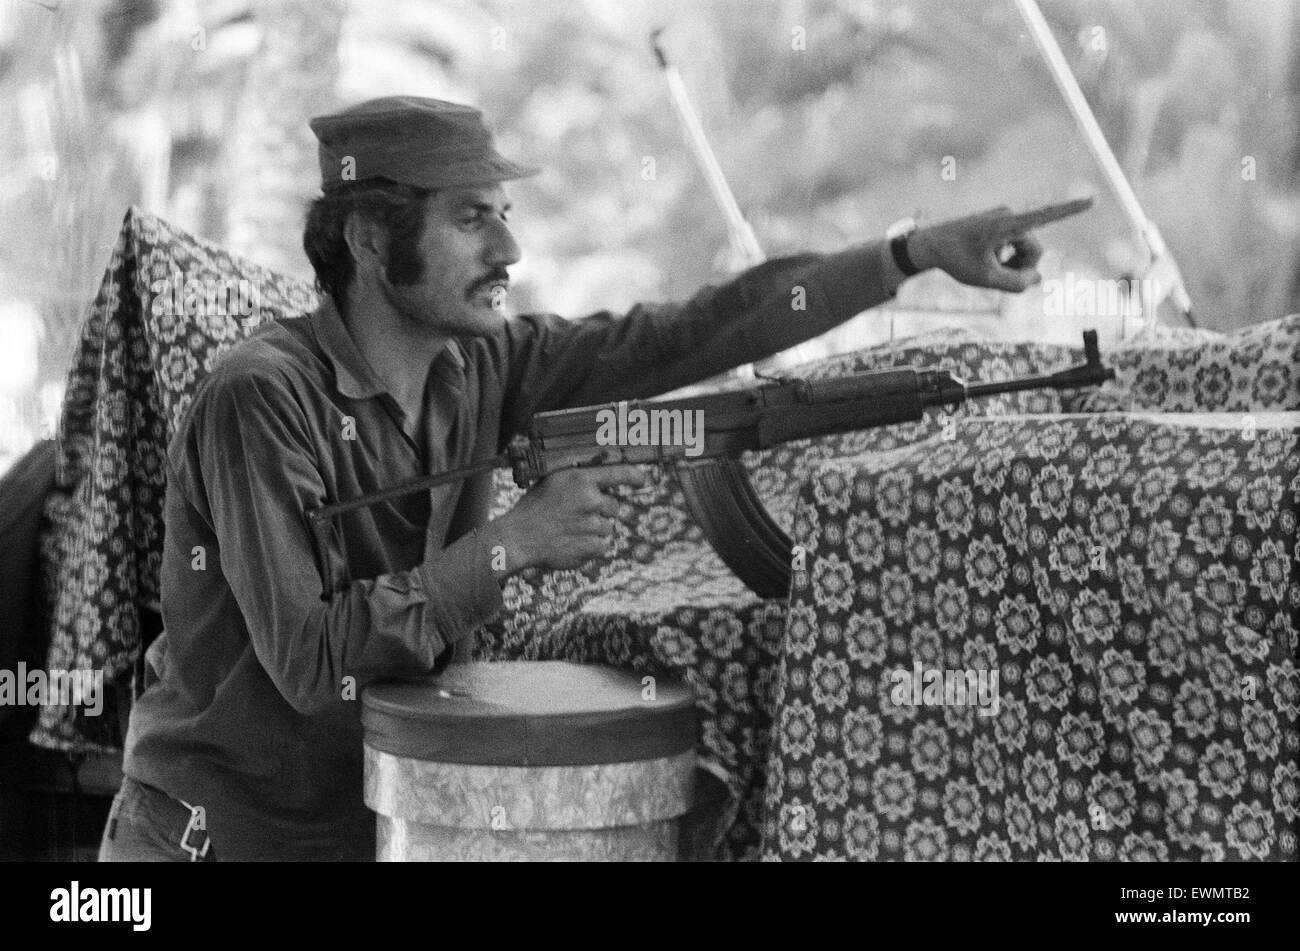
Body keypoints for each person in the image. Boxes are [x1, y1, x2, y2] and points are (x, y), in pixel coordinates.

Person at [99, 95, 1087, 861]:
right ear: (366, 239)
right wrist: (510, 545)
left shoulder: (484, 366)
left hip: (375, 831)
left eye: (507, 214)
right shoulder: (260, 399)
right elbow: (314, 662)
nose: (510, 249)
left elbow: (698, 329)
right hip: (214, 839)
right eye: (472, 219)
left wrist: (906, 254)